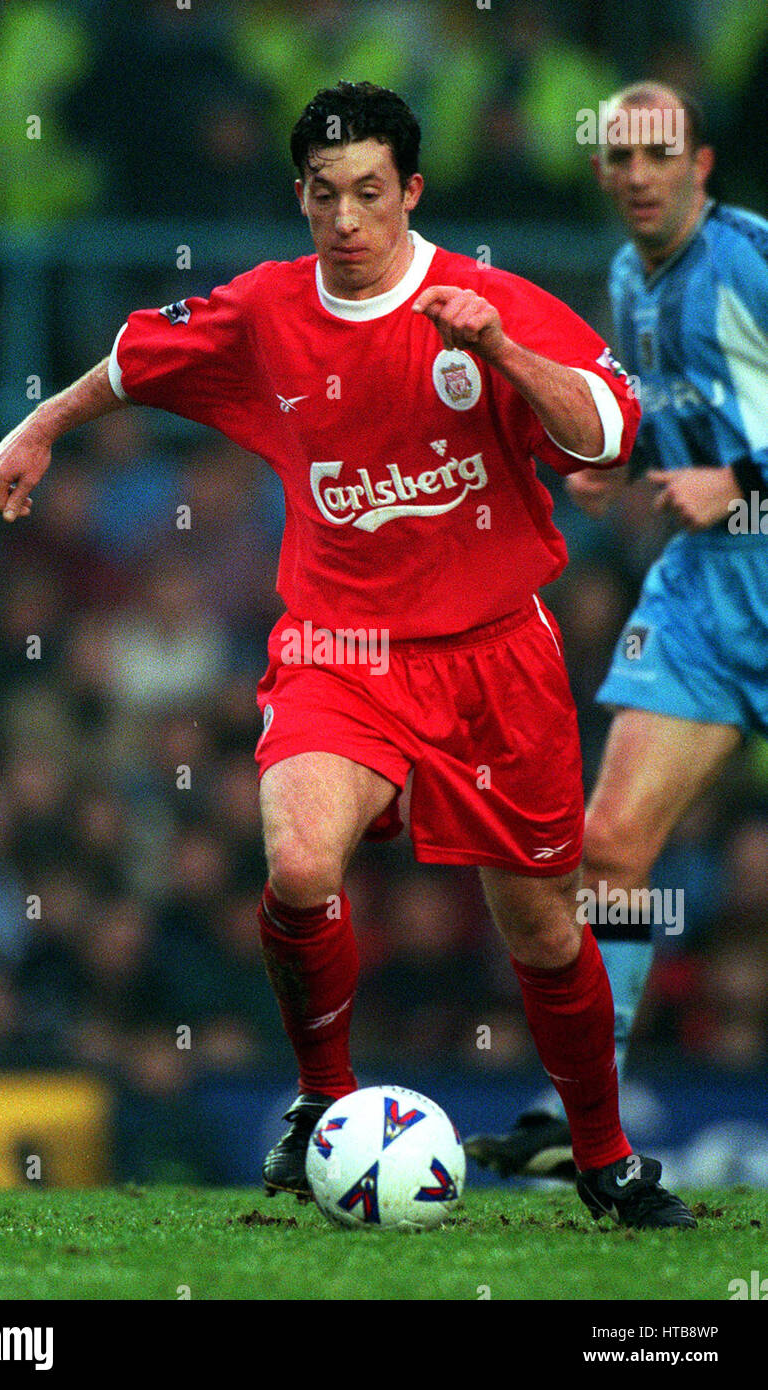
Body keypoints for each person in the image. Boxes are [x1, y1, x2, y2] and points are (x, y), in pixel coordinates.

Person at [0, 80, 694, 1229]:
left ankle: (606, 1157)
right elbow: (137, 359)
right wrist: (40, 425)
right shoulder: (267, 312)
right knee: (300, 865)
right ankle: (323, 1102)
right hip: (338, 651)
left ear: (409, 191)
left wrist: (503, 353)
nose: (348, 220)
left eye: (370, 193)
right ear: (301, 199)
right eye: (324, 197)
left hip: (495, 655)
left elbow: (605, 431)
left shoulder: (482, 300)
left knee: (543, 927)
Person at [466, 81, 768, 1182]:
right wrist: (619, 463)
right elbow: (673, 413)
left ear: (701, 162)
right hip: (703, 593)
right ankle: (581, 1109)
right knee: (610, 849)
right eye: (615, 157)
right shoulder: (624, 280)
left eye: (657, 154)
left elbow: (739, 447)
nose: (634, 174)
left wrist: (734, 477)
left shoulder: (745, 264)